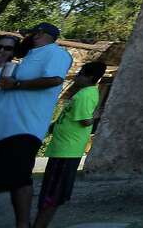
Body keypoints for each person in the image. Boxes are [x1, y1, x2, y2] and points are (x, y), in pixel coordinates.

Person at [0, 23, 72, 228]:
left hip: (25, 130)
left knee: (20, 178)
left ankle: (23, 224)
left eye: (28, 34)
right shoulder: (29, 58)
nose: (25, 39)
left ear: (39, 34)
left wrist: (18, 84)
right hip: (5, 130)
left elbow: (55, 79)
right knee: (14, 180)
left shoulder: (56, 53)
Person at [33, 61, 106, 228]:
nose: (77, 77)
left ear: (89, 77)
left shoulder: (85, 95)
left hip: (67, 150)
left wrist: (94, 116)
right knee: (51, 193)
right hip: (63, 149)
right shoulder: (85, 93)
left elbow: (85, 121)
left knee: (52, 195)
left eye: (80, 74)